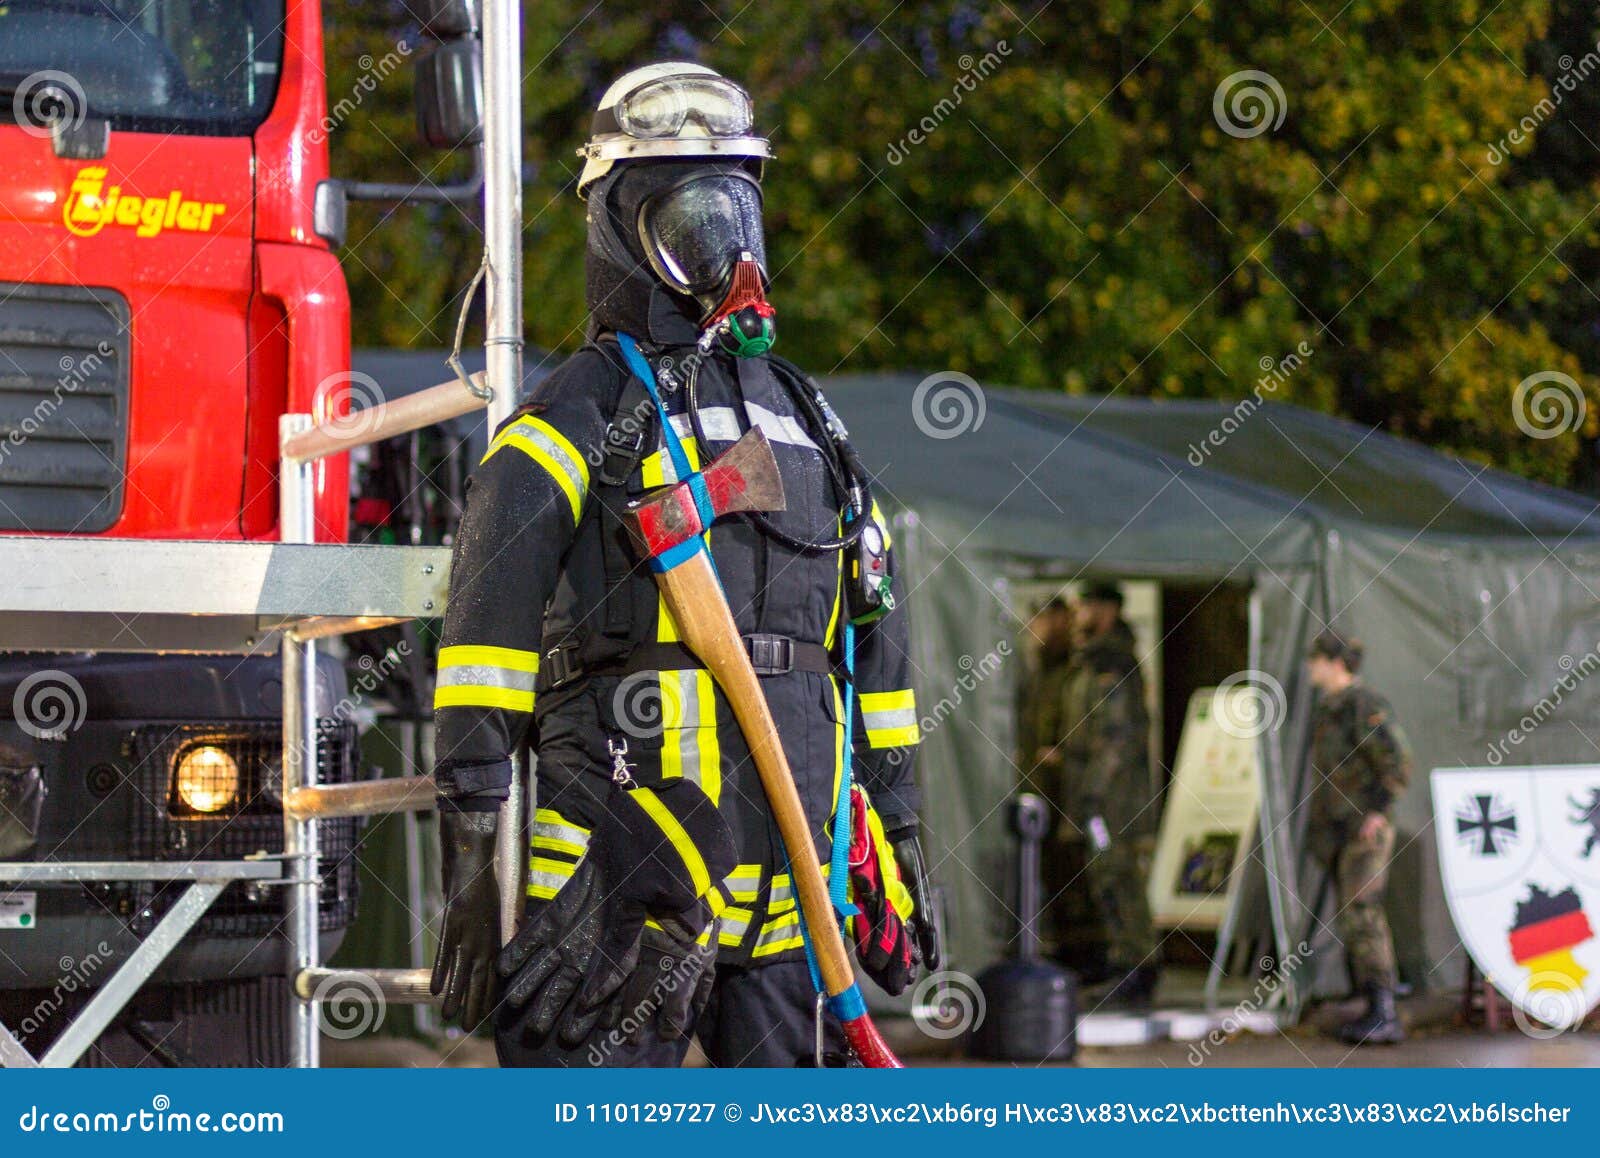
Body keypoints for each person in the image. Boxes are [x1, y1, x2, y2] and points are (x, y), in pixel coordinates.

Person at [426, 62, 940, 1068]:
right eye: (691, 213)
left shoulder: (809, 422)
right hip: (628, 875)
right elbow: (481, 640)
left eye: (738, 209)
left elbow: (875, 643)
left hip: (799, 880)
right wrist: (467, 854)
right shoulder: (568, 418)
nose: (725, 248)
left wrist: (900, 826)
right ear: (620, 220)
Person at [1054, 580, 1160, 1005]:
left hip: (1113, 801)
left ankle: (1139, 964)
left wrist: (1093, 798)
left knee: (1119, 877)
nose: (1080, 614)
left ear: (1110, 610)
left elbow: (1115, 738)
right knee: (1104, 877)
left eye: (1089, 606)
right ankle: (1122, 961)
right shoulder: (1091, 660)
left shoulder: (1111, 664)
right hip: (1096, 794)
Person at [1304, 629, 1411, 1045]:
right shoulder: (1332, 709)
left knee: (1364, 913)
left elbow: (1397, 760)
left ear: (1334, 663)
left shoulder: (1363, 706)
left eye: (1316, 660)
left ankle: (1384, 1011)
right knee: (1353, 916)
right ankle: (1368, 1002)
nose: (1310, 668)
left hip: (1362, 832)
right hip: (1339, 831)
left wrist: (1378, 810)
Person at [1015, 596, 1075, 795]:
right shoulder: (1036, 669)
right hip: (1034, 777)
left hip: (1062, 783)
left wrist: (1062, 755)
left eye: (1042, 618)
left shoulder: (1073, 668)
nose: (1034, 626)